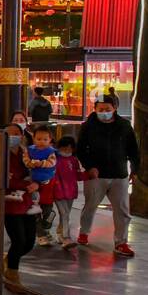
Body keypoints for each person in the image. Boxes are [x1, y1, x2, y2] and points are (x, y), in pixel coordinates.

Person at [76, 98, 139, 257]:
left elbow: (133, 148)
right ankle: (84, 232)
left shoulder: (124, 126)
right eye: (100, 109)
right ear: (95, 109)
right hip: (96, 176)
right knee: (90, 206)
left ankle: (121, 242)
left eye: (107, 109)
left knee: (123, 210)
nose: (104, 112)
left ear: (115, 108)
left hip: (119, 174)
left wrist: (135, 169)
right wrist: (90, 167)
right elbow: (81, 149)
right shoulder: (88, 126)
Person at [3, 122, 39, 293]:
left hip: (27, 204)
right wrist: (26, 184)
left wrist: (35, 183)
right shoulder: (1, 155)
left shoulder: (27, 153)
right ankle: (12, 275)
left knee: (29, 242)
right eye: (9, 134)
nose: (14, 137)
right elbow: (5, 180)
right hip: (10, 204)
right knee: (18, 240)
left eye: (17, 133)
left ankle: (9, 259)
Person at [51, 136, 85, 251]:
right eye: (65, 147)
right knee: (65, 213)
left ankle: (60, 234)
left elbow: (78, 175)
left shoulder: (74, 160)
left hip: (70, 191)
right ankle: (66, 237)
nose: (67, 150)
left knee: (65, 214)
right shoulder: (54, 158)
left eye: (70, 148)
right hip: (58, 191)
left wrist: (89, 175)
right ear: (60, 147)